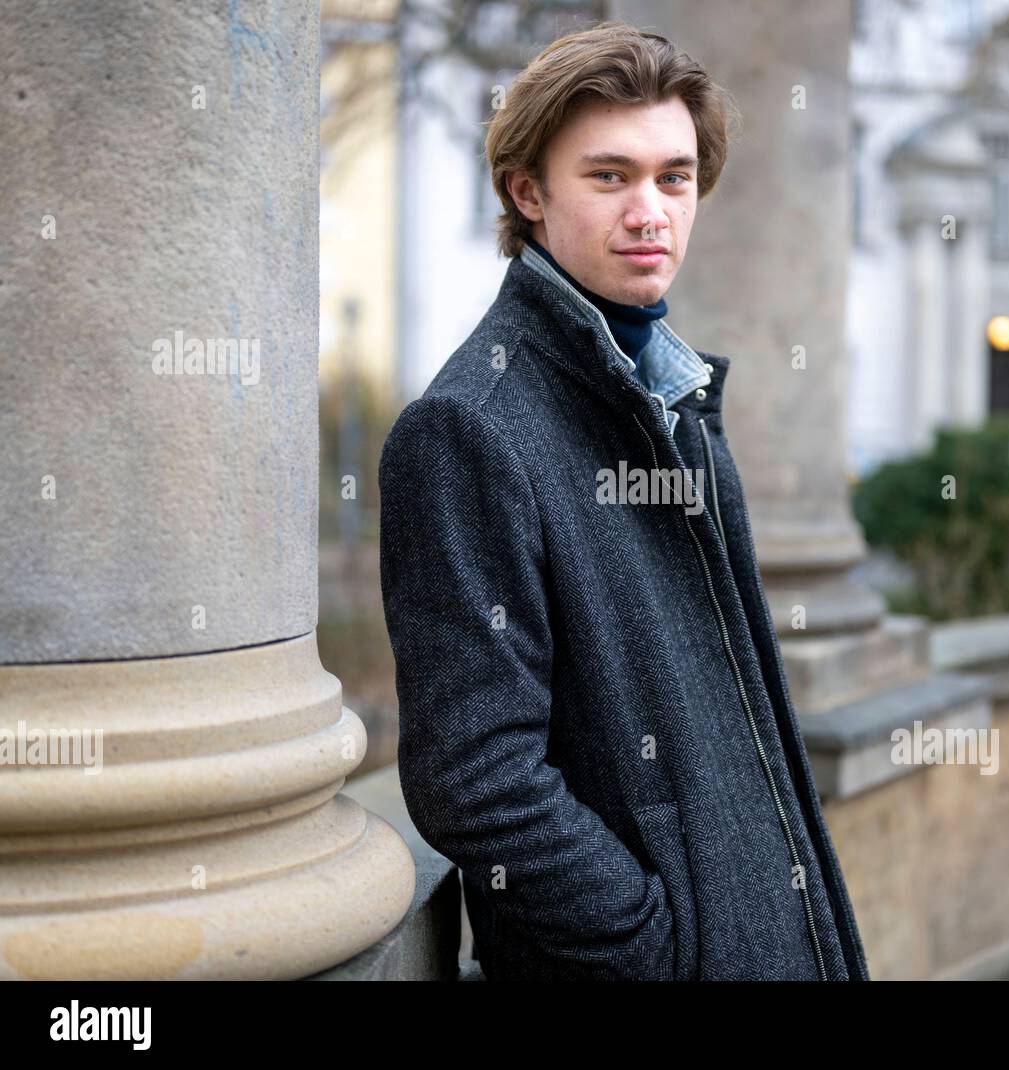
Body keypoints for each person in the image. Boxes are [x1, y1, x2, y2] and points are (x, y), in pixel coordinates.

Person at [378, 20, 870, 981]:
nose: (652, 211)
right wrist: (650, 946)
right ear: (529, 192)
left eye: (674, 178)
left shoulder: (673, 397)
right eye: (610, 177)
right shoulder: (468, 429)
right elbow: (475, 779)